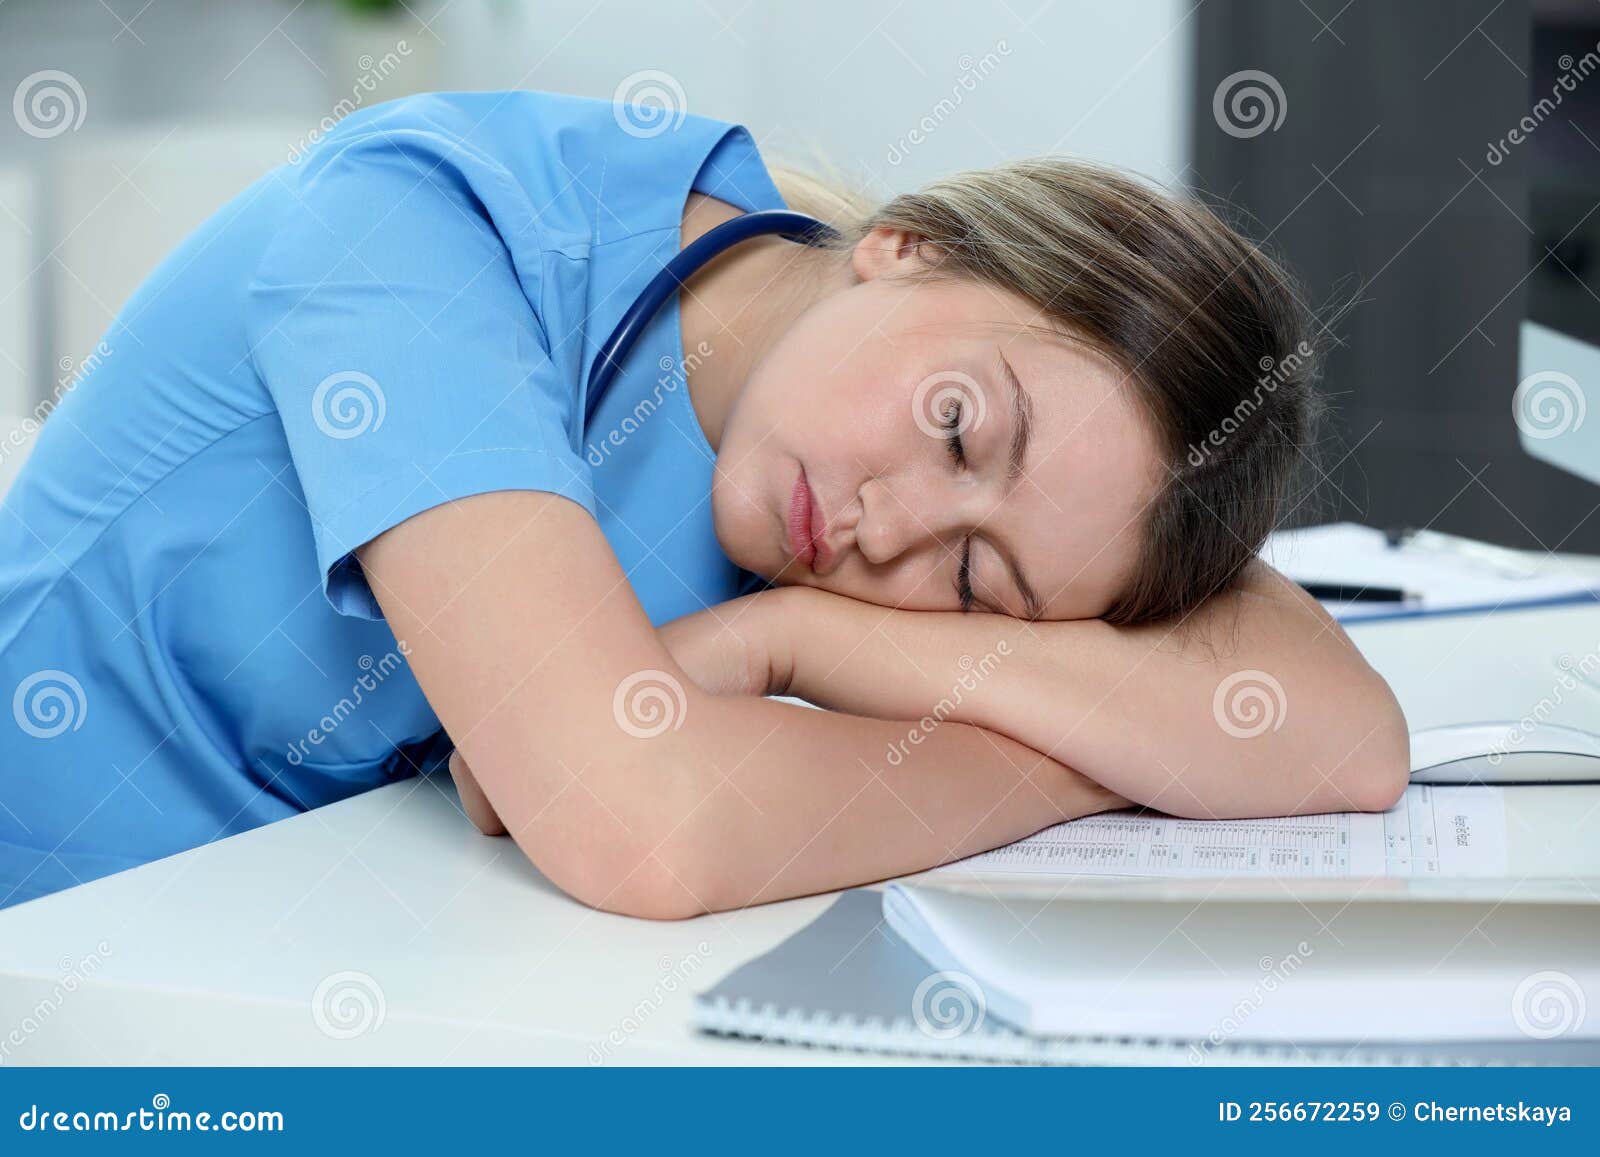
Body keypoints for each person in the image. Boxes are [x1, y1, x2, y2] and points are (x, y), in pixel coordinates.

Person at [0, 89, 1406, 915]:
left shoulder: (811, 475)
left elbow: (1341, 734)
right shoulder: (421, 225)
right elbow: (637, 821)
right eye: (960, 428)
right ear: (906, 246)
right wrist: (1084, 757)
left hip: (358, 949)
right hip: (74, 961)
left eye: (981, 586)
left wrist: (793, 642)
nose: (897, 532)